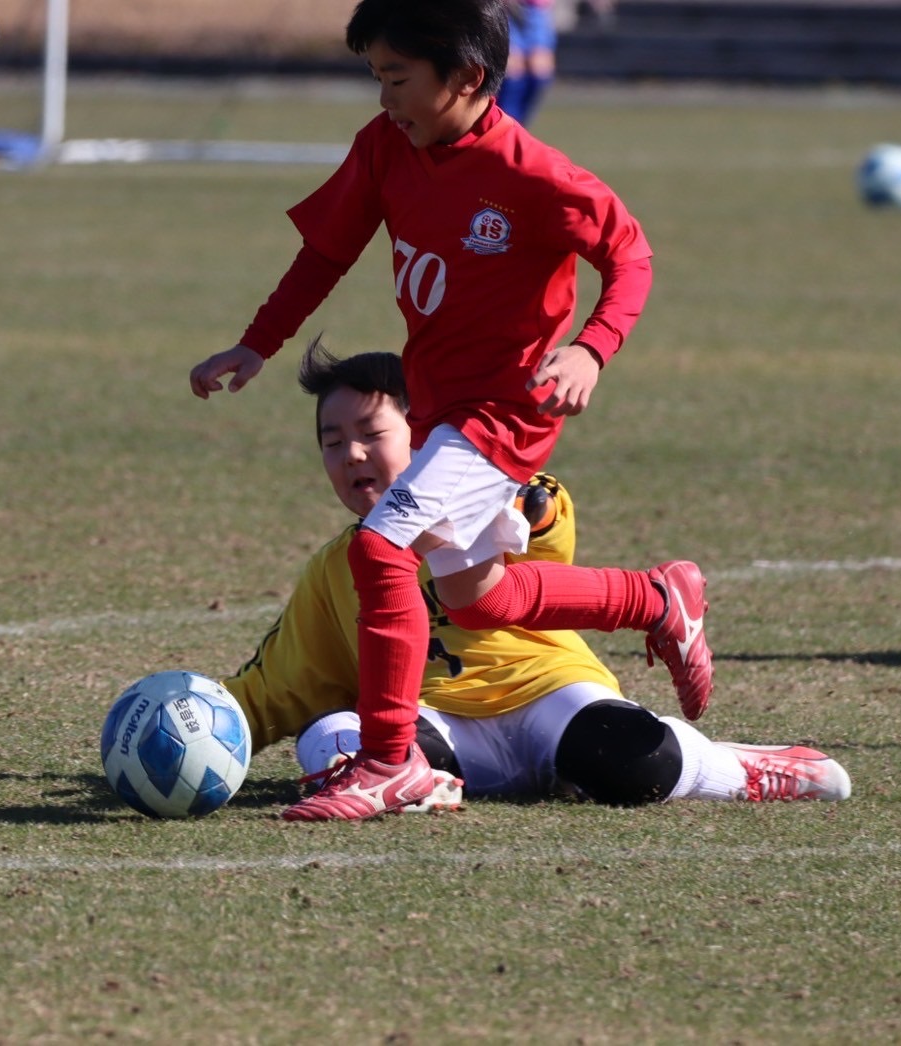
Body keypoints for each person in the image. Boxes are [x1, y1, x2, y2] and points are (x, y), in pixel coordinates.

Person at [189, 0, 711, 821]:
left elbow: (630, 255)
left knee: (381, 547)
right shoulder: (385, 148)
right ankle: (654, 601)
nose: (385, 98)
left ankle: (389, 761)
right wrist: (256, 344)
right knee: (477, 597)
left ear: (467, 77)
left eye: (398, 79)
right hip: (438, 410)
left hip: (505, 416)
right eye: (377, 79)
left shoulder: (534, 176)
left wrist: (589, 349)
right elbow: (327, 250)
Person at [220, 343, 851, 811]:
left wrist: (496, 500)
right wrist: (202, 726)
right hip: (444, 728)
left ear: (424, 433)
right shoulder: (337, 568)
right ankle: (434, 784)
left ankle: (739, 769)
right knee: (330, 739)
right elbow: (276, 687)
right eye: (332, 442)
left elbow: (542, 514)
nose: (352, 454)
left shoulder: (498, 501)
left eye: (369, 433)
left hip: (549, 699)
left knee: (637, 764)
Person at [497, 0, 557, 126]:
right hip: (504, 10)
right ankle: (504, 123)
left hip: (536, 10)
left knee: (539, 71)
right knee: (512, 69)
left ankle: (518, 125)